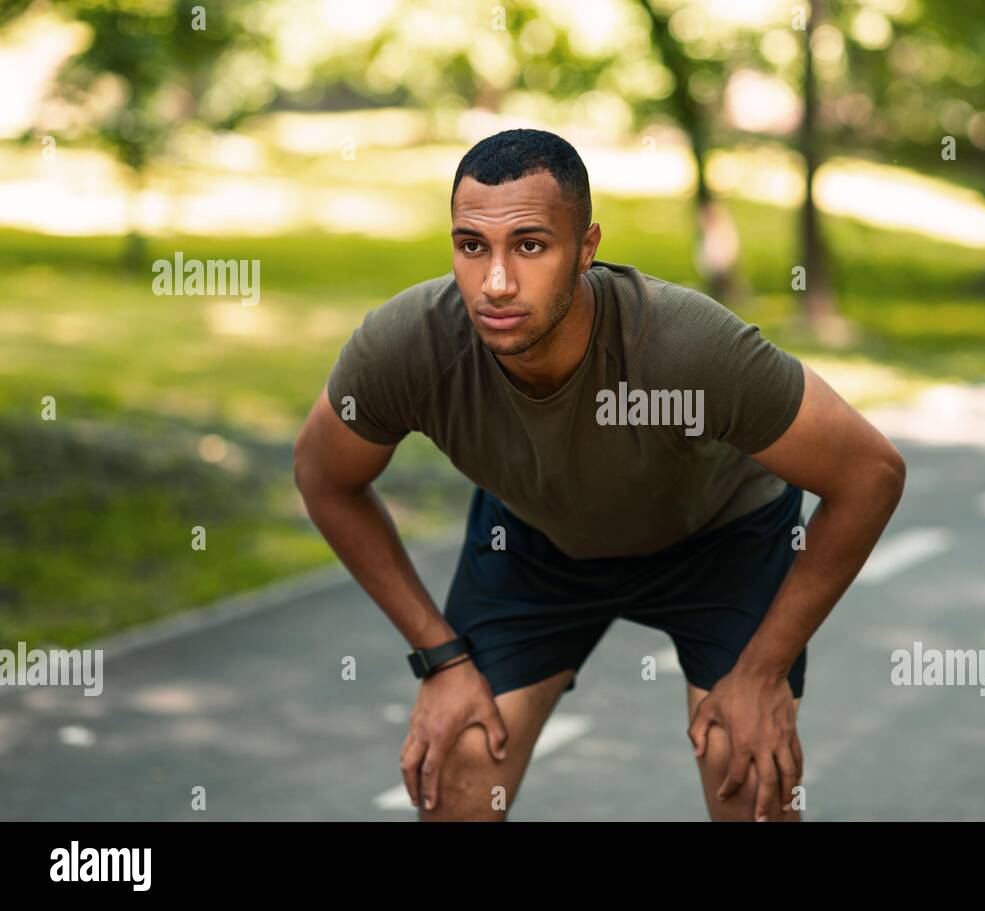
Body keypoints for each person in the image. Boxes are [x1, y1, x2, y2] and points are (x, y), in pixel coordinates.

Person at [292, 128, 906, 822]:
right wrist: (440, 656)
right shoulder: (407, 347)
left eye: (530, 245)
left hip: (720, 539)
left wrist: (763, 669)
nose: (495, 281)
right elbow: (323, 478)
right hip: (535, 544)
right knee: (460, 759)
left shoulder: (685, 346)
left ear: (586, 248)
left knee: (746, 769)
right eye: (472, 246)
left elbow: (871, 473)